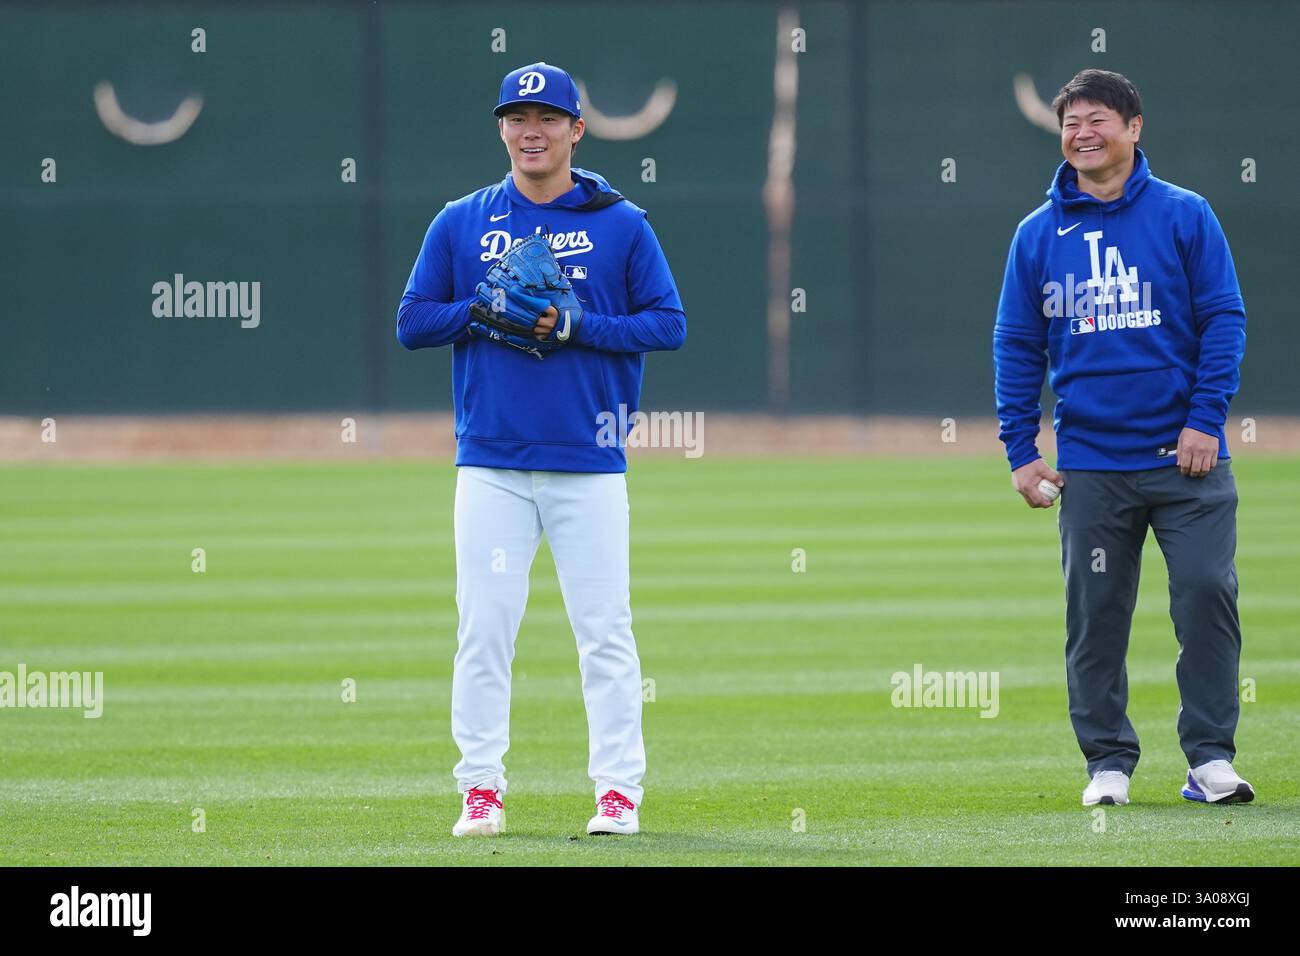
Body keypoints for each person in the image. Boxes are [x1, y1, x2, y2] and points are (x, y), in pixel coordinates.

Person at [396, 62, 686, 836]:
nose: (532, 131)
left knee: (604, 632)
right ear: (501, 128)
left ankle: (618, 792)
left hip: (588, 462)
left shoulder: (621, 222)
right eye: (517, 117)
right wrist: (484, 310)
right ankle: (481, 788)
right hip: (490, 463)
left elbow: (668, 323)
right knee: (485, 626)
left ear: (576, 130)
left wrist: (575, 325)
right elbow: (413, 320)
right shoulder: (462, 220)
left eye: (548, 118)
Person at [993, 69, 1251, 807]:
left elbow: (1224, 320)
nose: (1081, 132)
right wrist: (1020, 450)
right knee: (1095, 615)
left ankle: (1210, 760)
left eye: (1098, 119)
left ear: (1135, 128)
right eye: (1070, 122)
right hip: (1092, 467)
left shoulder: (1185, 215)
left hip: (1187, 461)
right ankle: (1107, 762)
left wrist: (1205, 418)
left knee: (1206, 594)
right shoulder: (1037, 234)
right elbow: (1017, 344)